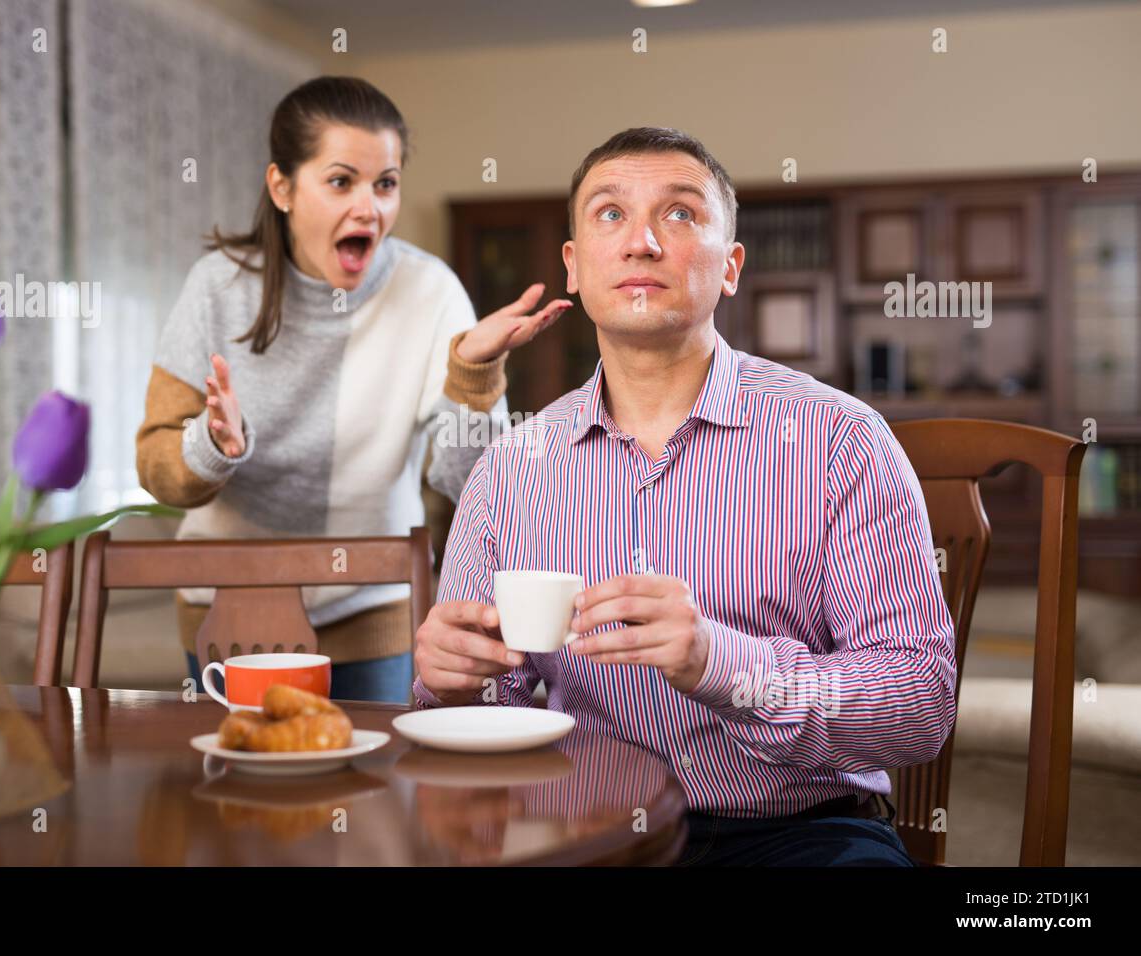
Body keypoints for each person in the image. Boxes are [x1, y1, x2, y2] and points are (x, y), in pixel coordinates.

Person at [410, 127, 957, 866]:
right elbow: (487, 715)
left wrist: (719, 664)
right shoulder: (512, 467)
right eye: (609, 214)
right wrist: (447, 687)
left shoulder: (840, 441)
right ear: (574, 267)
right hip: (580, 831)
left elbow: (920, 705)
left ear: (730, 266)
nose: (640, 242)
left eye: (679, 214)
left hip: (800, 833)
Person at [136, 76, 571, 703]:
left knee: (372, 801)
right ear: (282, 187)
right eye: (342, 181)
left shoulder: (430, 292)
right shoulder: (216, 287)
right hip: (224, 619)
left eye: (385, 184)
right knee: (236, 794)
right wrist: (211, 444)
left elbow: (473, 484)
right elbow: (157, 467)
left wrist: (473, 377)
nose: (370, 208)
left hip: (373, 616)